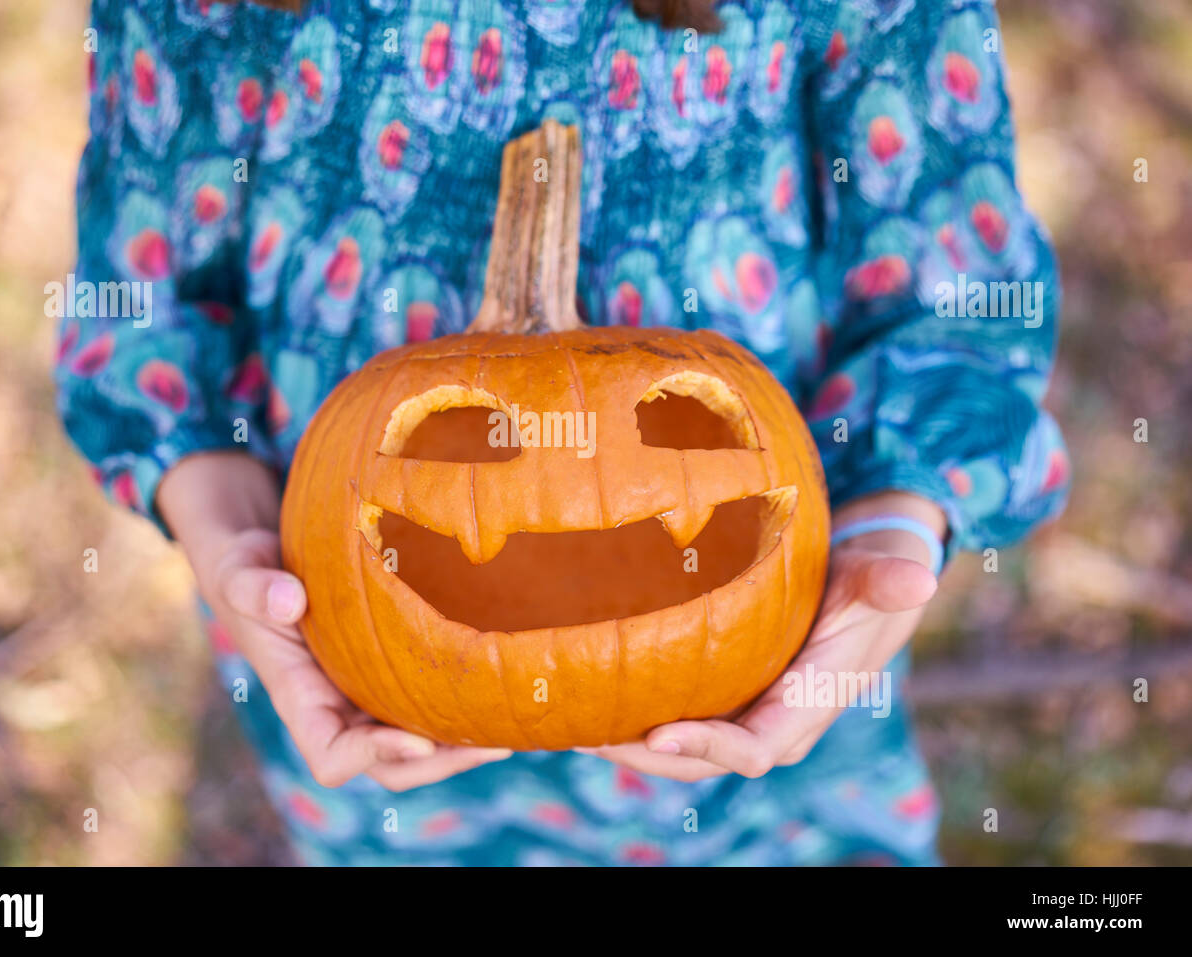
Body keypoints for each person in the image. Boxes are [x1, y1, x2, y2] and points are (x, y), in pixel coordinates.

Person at [55, 0, 1069, 865]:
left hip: (777, 685)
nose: (559, 479)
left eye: (672, 428)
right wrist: (216, 503)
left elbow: (957, 293)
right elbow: (142, 295)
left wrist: (895, 516)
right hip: (365, 683)